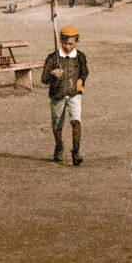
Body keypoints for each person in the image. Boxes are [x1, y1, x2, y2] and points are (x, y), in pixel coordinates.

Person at [43, 25, 87, 166]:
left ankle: (76, 152)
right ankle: (59, 145)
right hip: (57, 94)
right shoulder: (52, 58)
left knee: (76, 120)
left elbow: (84, 73)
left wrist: (80, 83)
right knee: (57, 123)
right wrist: (52, 73)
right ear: (60, 41)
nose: (67, 46)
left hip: (74, 94)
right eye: (65, 43)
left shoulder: (80, 57)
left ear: (76, 42)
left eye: (71, 43)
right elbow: (43, 78)